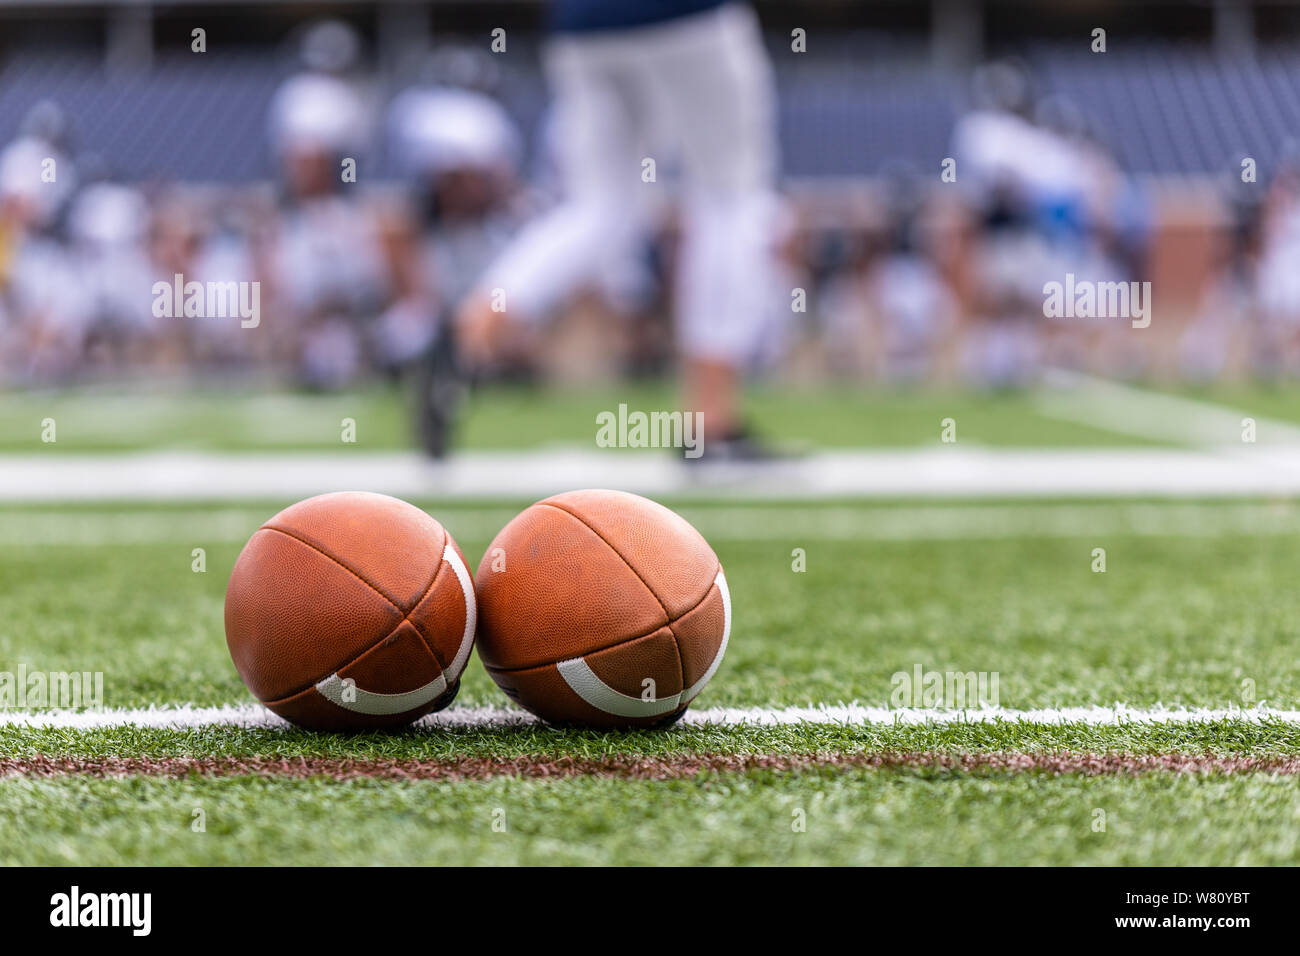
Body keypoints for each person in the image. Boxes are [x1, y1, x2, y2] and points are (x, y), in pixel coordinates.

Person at [454, 0, 783, 460]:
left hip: (581, 23)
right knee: (729, 200)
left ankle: (472, 332)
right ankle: (710, 421)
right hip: (686, 18)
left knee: (602, 206)